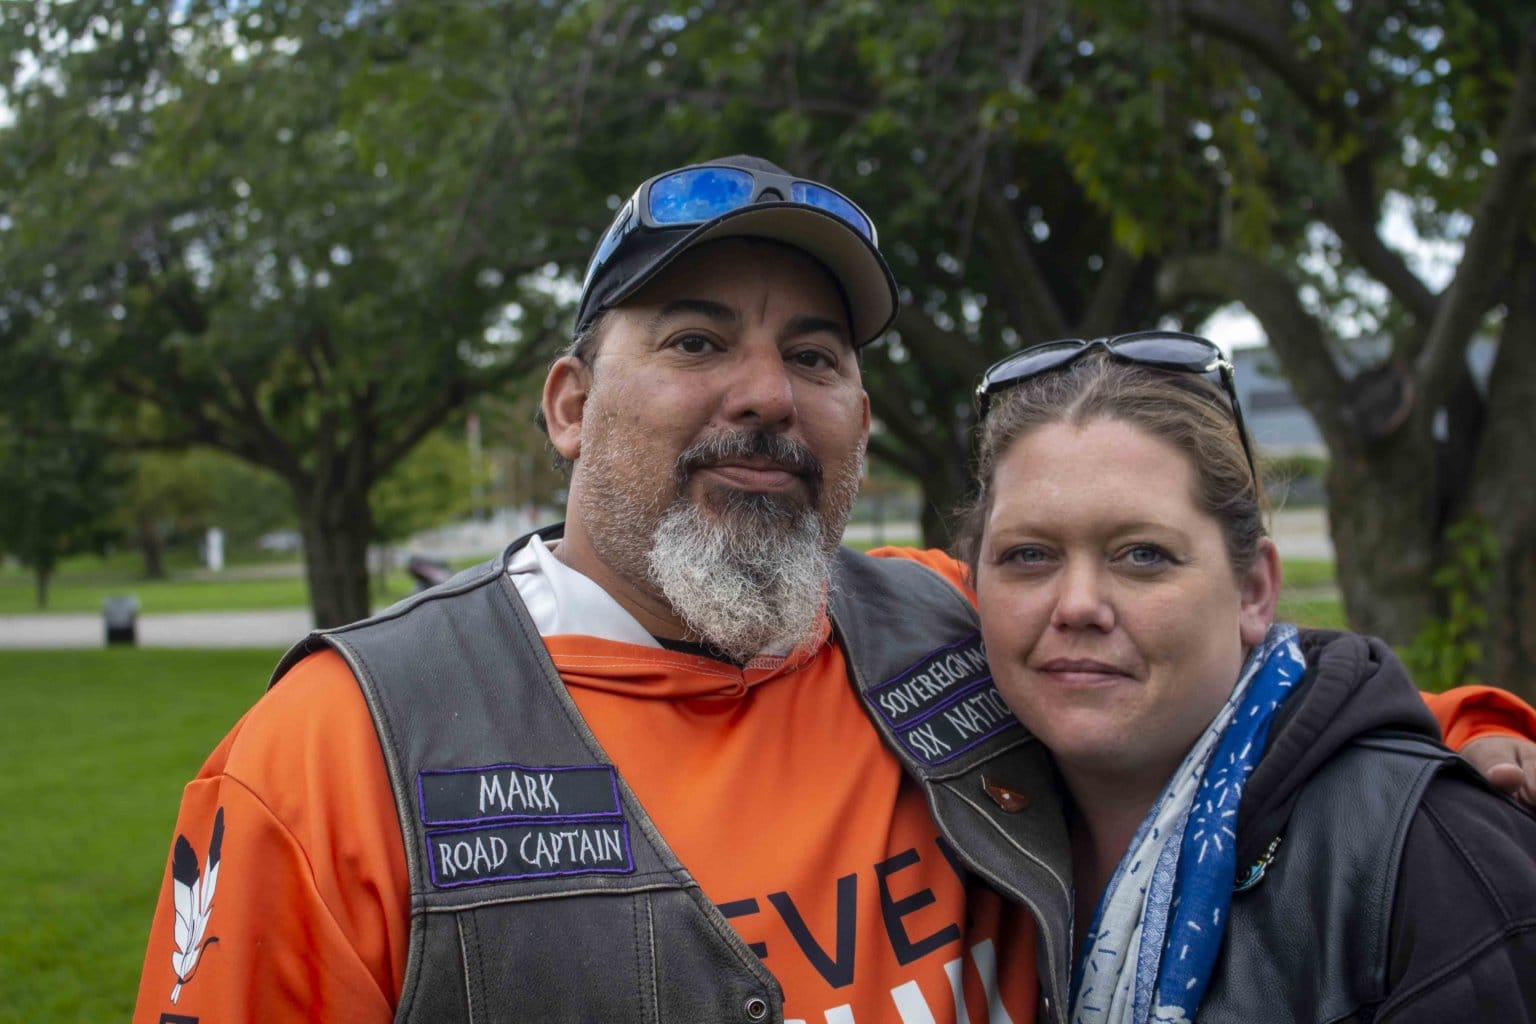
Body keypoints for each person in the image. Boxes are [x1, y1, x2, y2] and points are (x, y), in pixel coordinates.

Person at [133, 157, 1536, 1024]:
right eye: (695, 340)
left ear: (860, 415)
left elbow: (1212, 711)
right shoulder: (332, 760)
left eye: (815, 355)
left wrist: (1455, 745)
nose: (765, 396)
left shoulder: (940, 621)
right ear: (567, 405)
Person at [958, 334, 1536, 1022]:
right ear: (971, 586)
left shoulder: (1431, 863)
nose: (1078, 603)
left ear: (1255, 591)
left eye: (1142, 554)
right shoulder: (950, 824)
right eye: (1028, 555)